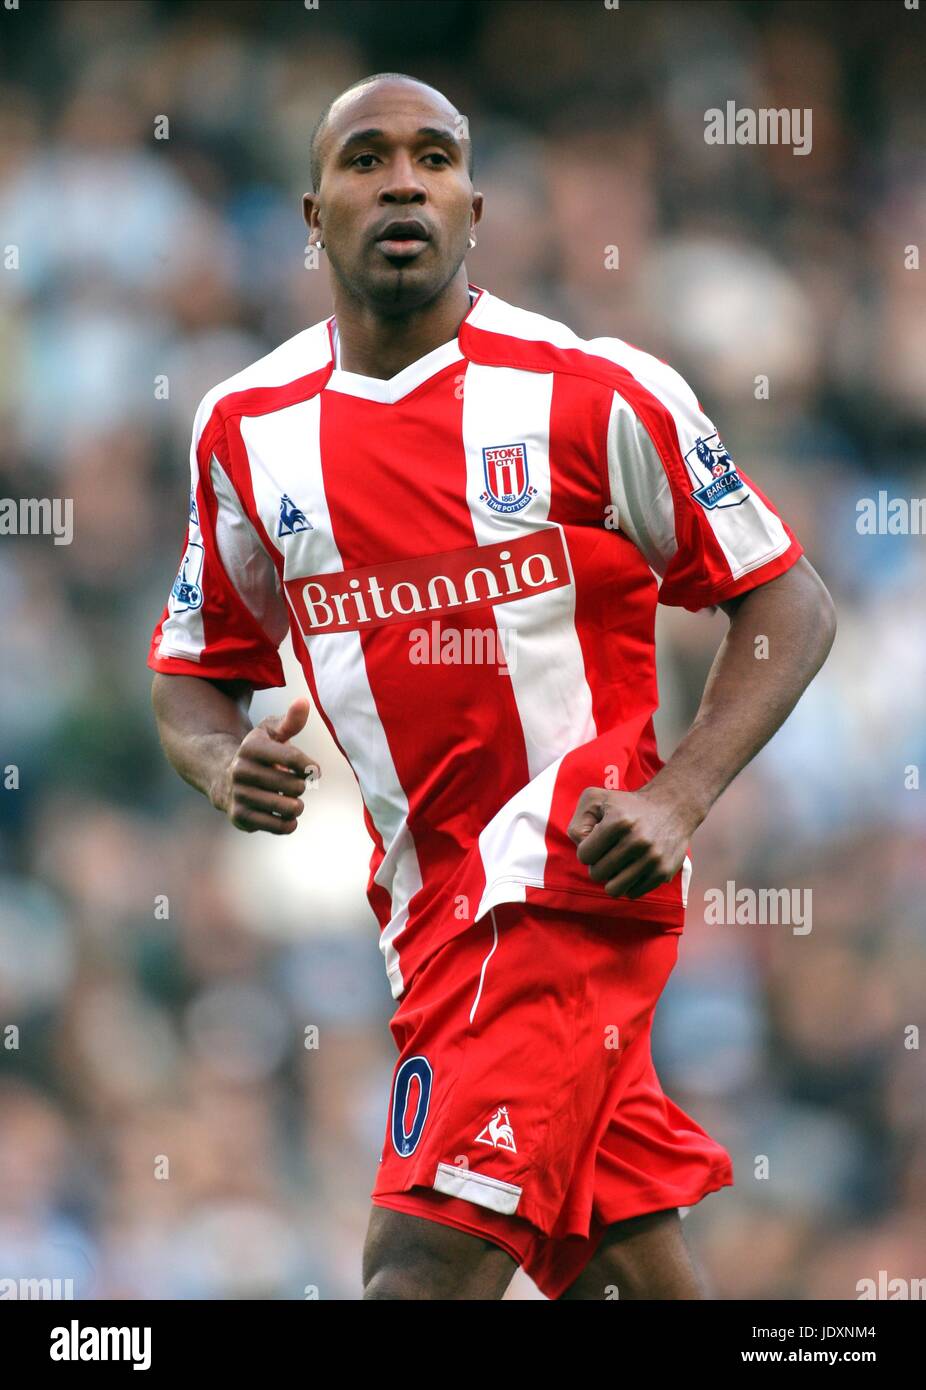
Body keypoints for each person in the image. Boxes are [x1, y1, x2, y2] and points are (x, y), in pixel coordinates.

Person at [148, 72, 836, 1300]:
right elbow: (195, 678)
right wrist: (219, 762)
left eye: (431, 157)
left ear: (475, 205)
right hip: (423, 912)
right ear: (311, 215)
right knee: (632, 1269)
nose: (401, 178)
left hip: (560, 882)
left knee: (412, 1268)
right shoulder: (245, 428)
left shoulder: (595, 391)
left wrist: (675, 800)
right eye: (365, 160)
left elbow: (786, 601)